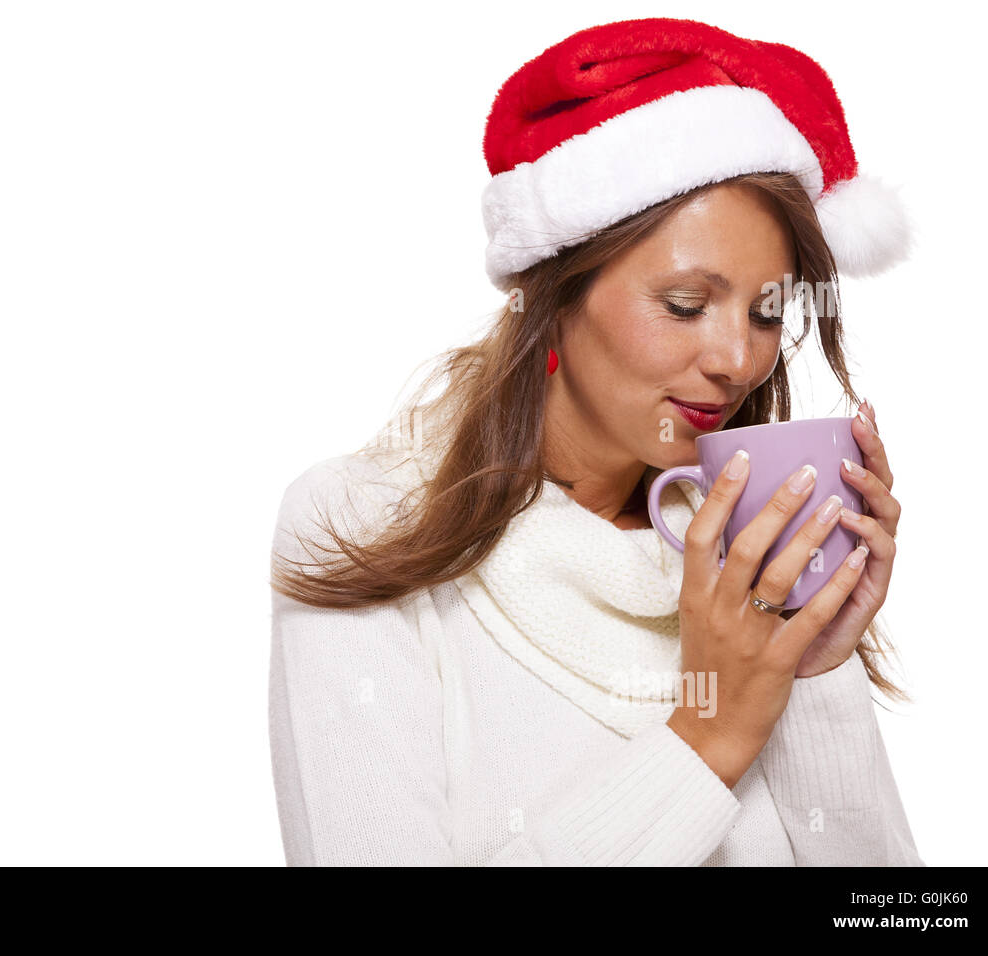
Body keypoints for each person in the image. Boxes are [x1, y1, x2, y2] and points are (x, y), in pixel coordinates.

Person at [267, 17, 923, 866]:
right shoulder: (364, 524)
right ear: (556, 297)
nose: (737, 360)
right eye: (686, 303)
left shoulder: (744, 564)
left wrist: (814, 672)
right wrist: (704, 740)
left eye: (767, 313)